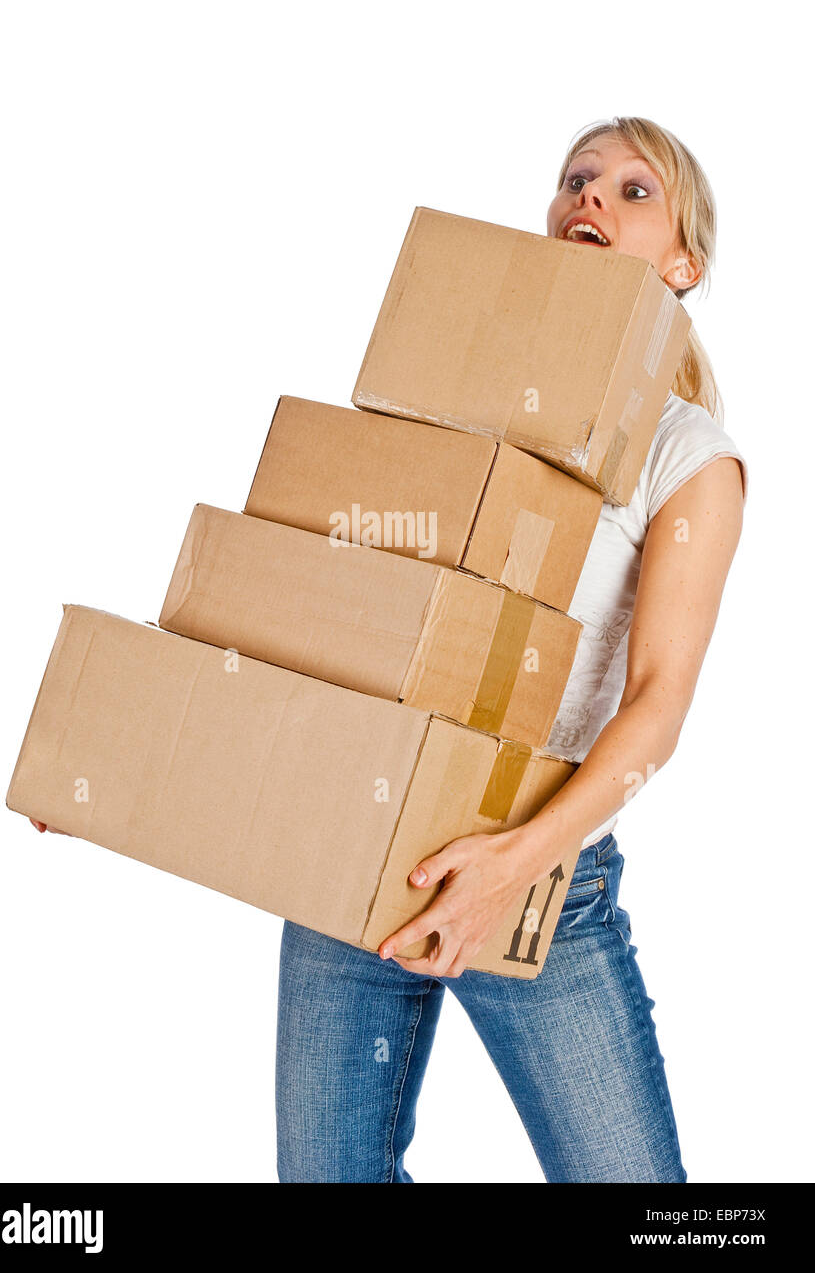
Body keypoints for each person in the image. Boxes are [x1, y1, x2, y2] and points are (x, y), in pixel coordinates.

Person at [273, 116, 748, 1182]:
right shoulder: (456, 406)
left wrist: (510, 866)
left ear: (682, 265)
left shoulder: (686, 458)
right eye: (575, 179)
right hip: (357, 830)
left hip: (538, 870)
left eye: (634, 191)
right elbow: (326, 602)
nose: (589, 198)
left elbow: (657, 710)